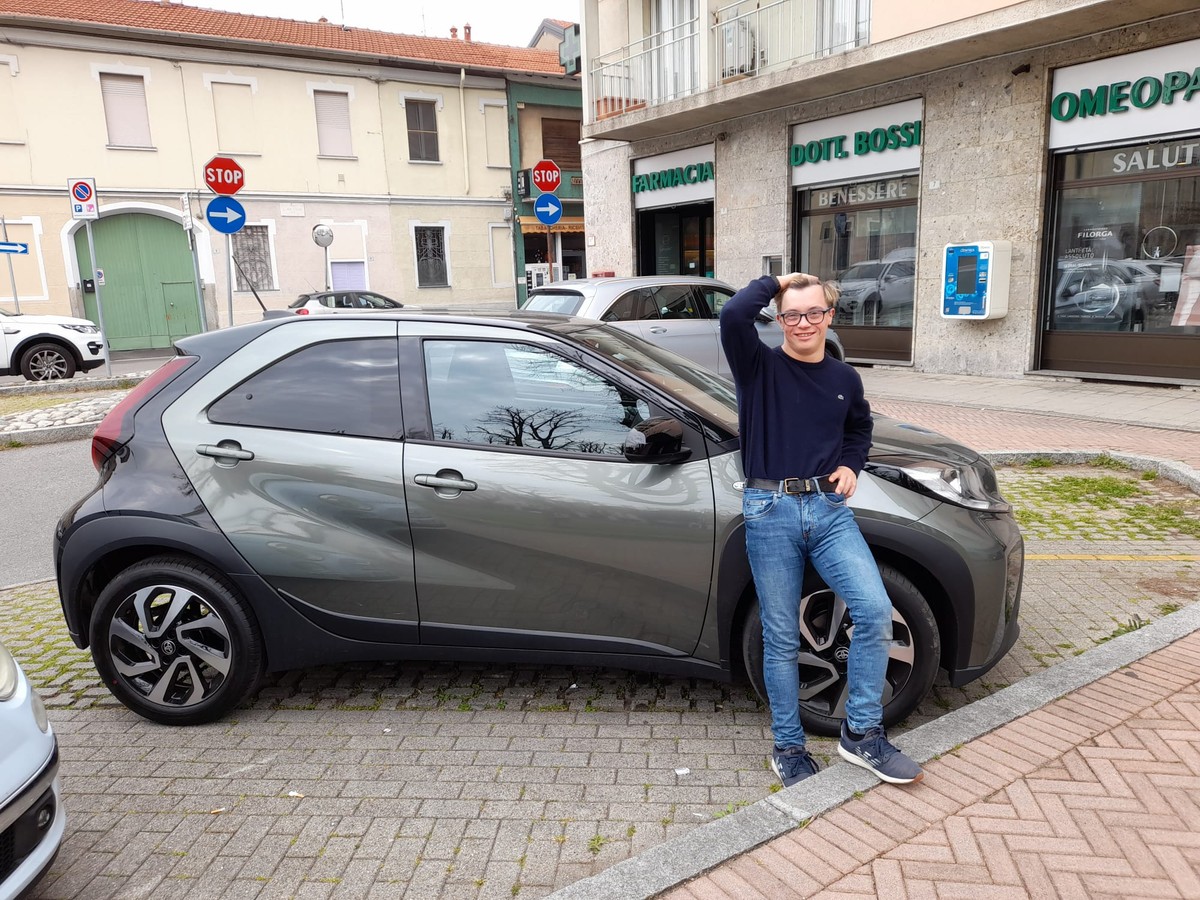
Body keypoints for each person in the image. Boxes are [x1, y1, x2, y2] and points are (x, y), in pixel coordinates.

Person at [719, 272, 924, 788]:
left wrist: (852, 464)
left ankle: (861, 734)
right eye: (792, 314)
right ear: (780, 319)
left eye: (814, 312)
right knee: (780, 635)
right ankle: (788, 747)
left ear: (830, 317)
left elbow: (859, 429)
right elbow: (734, 314)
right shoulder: (758, 366)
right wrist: (778, 281)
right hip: (770, 509)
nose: (803, 323)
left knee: (874, 611)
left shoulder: (844, 379)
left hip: (829, 511)